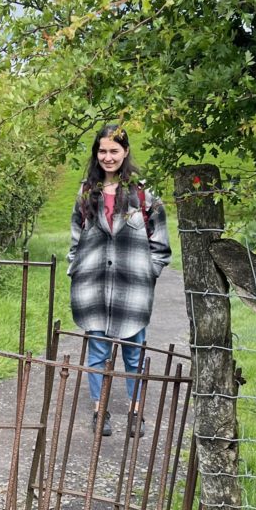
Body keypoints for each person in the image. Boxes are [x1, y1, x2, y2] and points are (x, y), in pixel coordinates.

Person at [67, 124, 172, 437]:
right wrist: (76, 268)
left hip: (132, 290)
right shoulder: (87, 193)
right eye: (102, 151)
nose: (107, 157)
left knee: (134, 353)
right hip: (93, 288)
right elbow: (75, 239)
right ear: (95, 153)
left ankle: (135, 412)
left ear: (125, 152)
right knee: (97, 352)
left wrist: (147, 274)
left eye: (114, 151)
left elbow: (161, 246)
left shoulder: (144, 194)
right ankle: (100, 411)